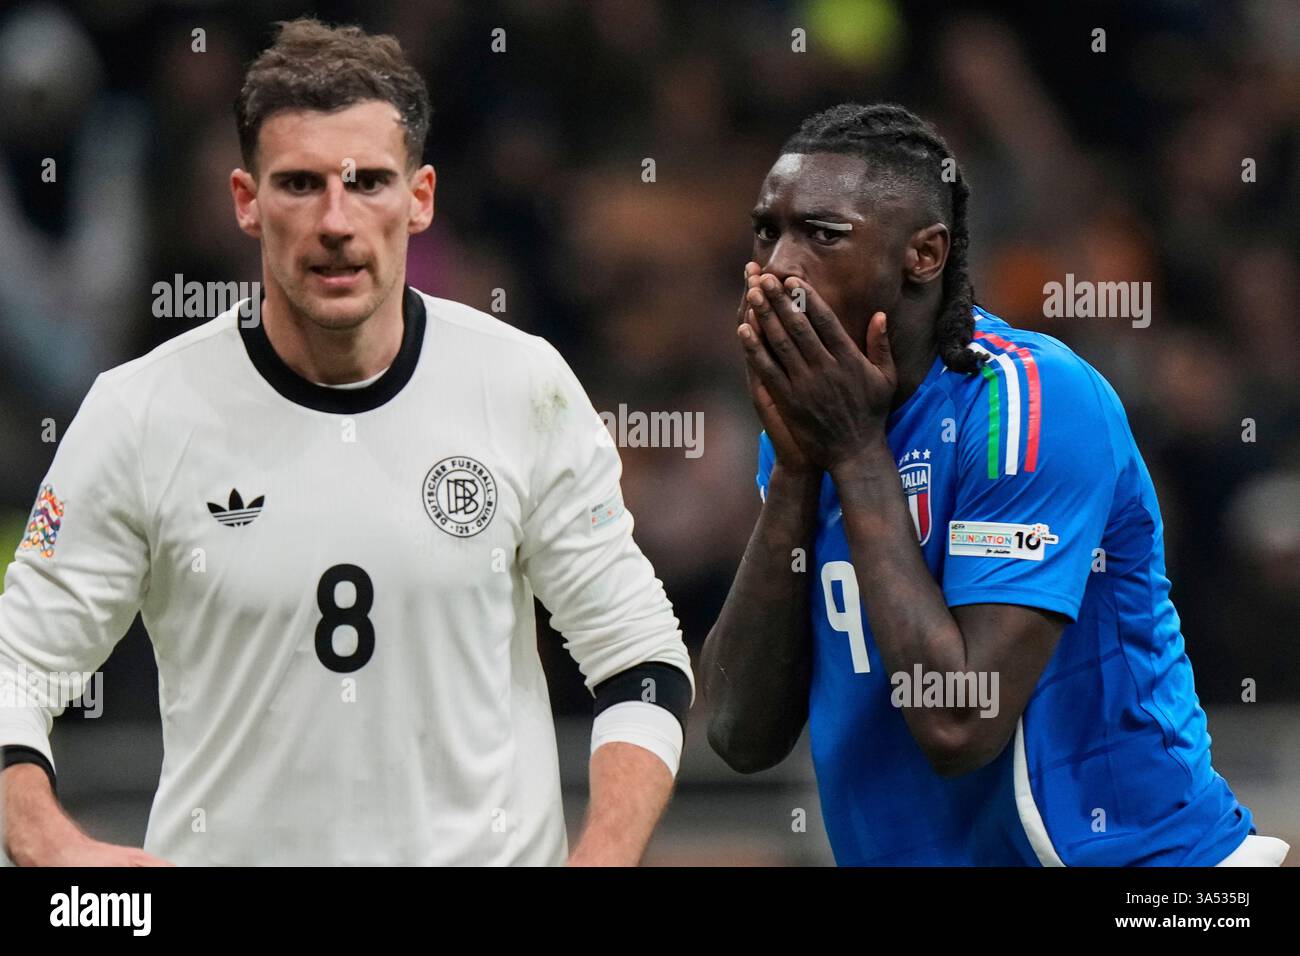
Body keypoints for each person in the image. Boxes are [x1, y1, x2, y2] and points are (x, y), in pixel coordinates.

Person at [0, 18, 692, 867]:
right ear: (246, 201)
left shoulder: (520, 385)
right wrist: (43, 840)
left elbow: (641, 660)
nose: (336, 220)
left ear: (421, 197)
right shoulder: (141, 412)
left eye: (368, 182)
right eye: (299, 184)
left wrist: (602, 858)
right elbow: (17, 665)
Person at [702, 102, 1287, 867]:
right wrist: (793, 473)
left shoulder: (1030, 402)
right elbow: (738, 735)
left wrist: (854, 451)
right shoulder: (812, 428)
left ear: (925, 254)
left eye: (822, 233)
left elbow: (959, 721)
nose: (778, 266)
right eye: (767, 231)